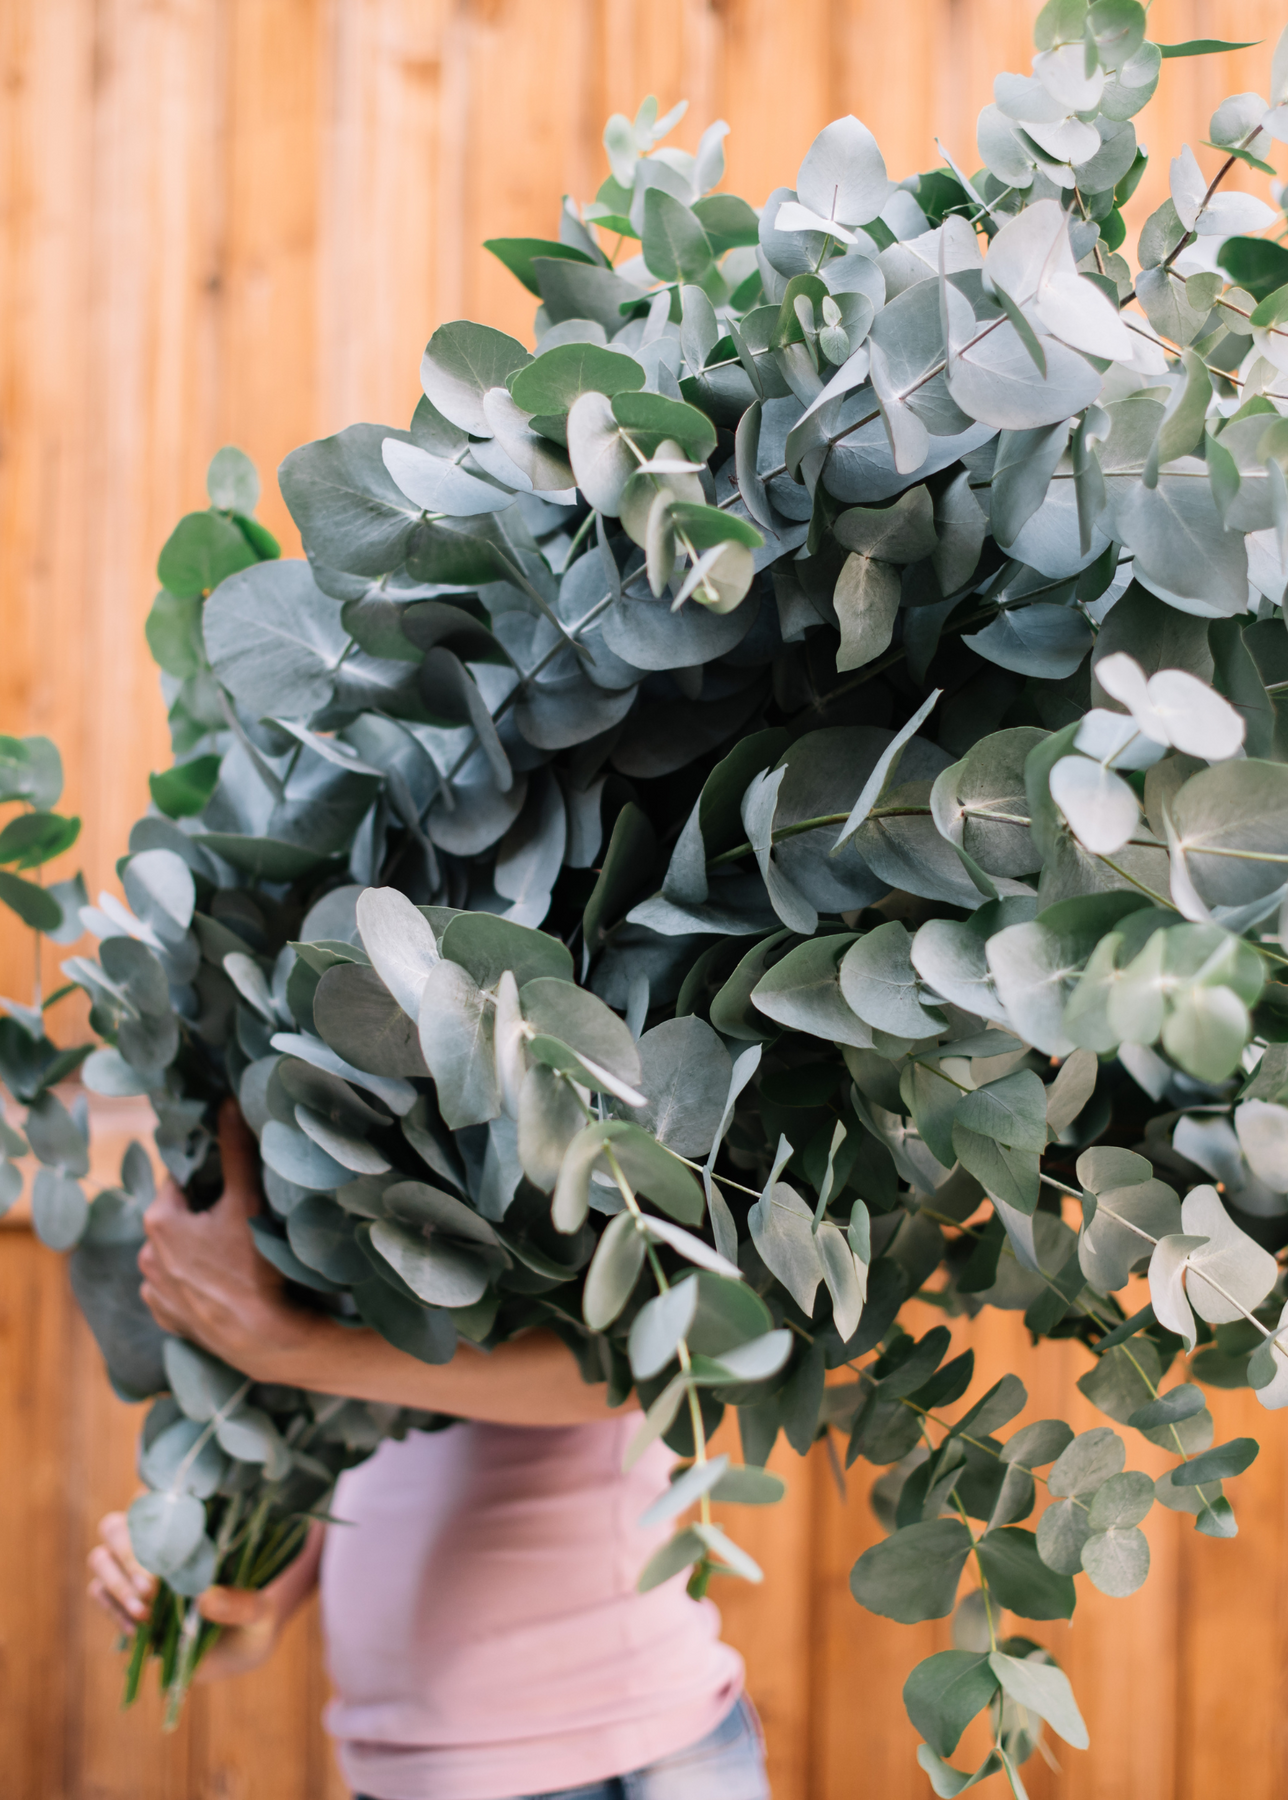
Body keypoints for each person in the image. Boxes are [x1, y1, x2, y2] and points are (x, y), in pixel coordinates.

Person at [88, 1103, 770, 1800]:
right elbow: (370, 1438)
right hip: (413, 1770)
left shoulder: (566, 1115)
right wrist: (248, 1605)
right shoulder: (358, 1134)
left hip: (605, 1759)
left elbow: (642, 1371)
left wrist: (296, 1351)